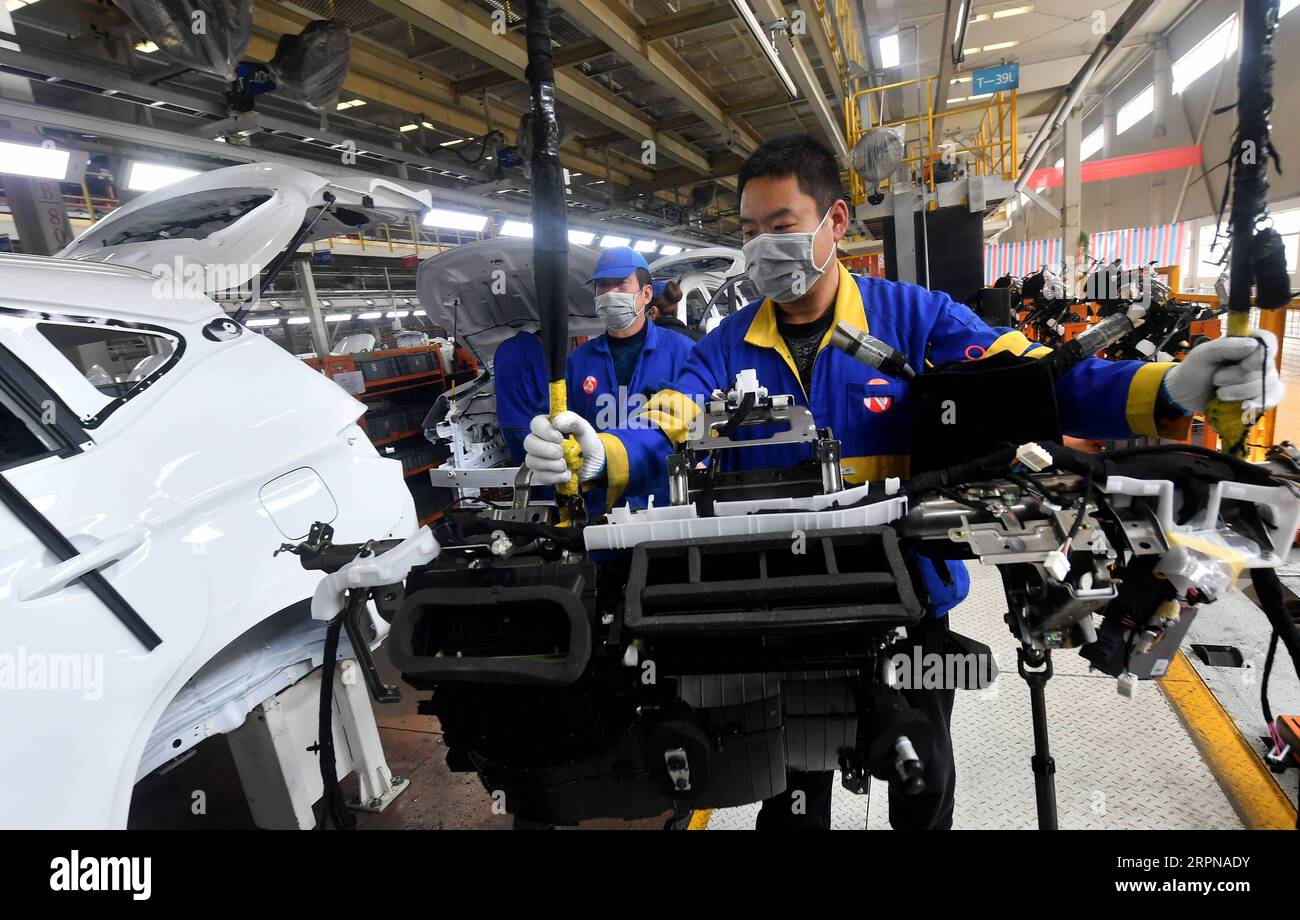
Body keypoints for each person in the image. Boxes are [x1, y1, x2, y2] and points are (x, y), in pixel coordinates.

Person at [524, 133, 1283, 828]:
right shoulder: (726, 343)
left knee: (922, 777)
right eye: (749, 231)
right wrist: (607, 455)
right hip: (776, 607)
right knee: (788, 788)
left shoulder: (916, 319)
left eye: (779, 224)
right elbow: (672, 414)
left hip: (907, 600)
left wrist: (1170, 388)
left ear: (834, 221)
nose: (761, 247)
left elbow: (1037, 387)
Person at [560, 247, 694, 510]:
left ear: (646, 294)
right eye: (602, 286)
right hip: (602, 501)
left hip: (668, 500)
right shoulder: (579, 361)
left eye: (621, 284)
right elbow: (568, 432)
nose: (611, 293)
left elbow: (702, 425)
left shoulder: (682, 352)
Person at [492, 328, 548, 465]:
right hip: (528, 422)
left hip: (506, 423)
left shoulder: (503, 346)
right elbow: (546, 388)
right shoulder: (535, 348)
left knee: (521, 475)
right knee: (543, 474)